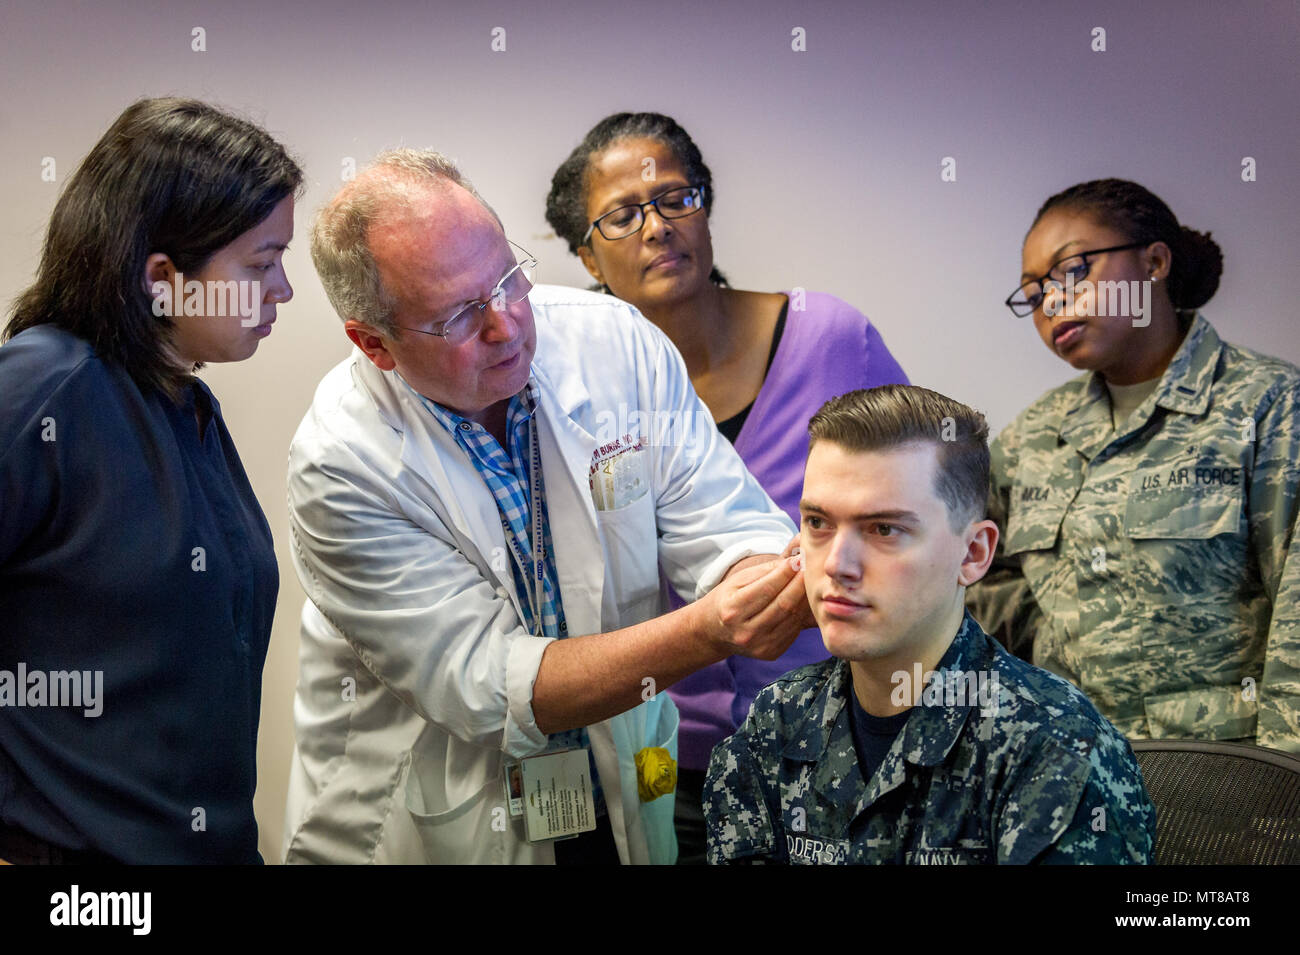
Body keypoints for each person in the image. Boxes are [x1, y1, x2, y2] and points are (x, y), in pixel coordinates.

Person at [282, 149, 814, 865]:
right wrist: (712, 629)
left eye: (508, 279)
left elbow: (725, 519)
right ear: (373, 342)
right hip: (439, 812)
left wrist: (761, 574)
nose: (506, 324)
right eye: (462, 315)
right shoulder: (341, 461)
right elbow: (487, 684)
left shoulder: (614, 344)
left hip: (609, 775)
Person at [546, 112, 909, 859]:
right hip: (662, 747)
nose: (657, 227)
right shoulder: (573, 391)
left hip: (839, 738)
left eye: (678, 198)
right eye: (621, 216)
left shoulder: (828, 338)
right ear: (586, 254)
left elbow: (925, 508)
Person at [0, 98, 301, 863]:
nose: (284, 291)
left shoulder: (186, 404)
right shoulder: (44, 389)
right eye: (262, 264)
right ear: (163, 277)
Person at [704, 385, 1157, 864]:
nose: (837, 564)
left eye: (884, 529)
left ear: (974, 553)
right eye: (818, 523)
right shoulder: (778, 720)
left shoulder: (1054, 747)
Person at [968, 179, 1300, 752]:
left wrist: (1279, 796)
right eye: (1033, 292)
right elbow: (967, 579)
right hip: (1066, 779)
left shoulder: (1268, 404)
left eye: (1072, 270)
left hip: (1226, 786)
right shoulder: (1031, 439)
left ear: (1154, 262)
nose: (1052, 302)